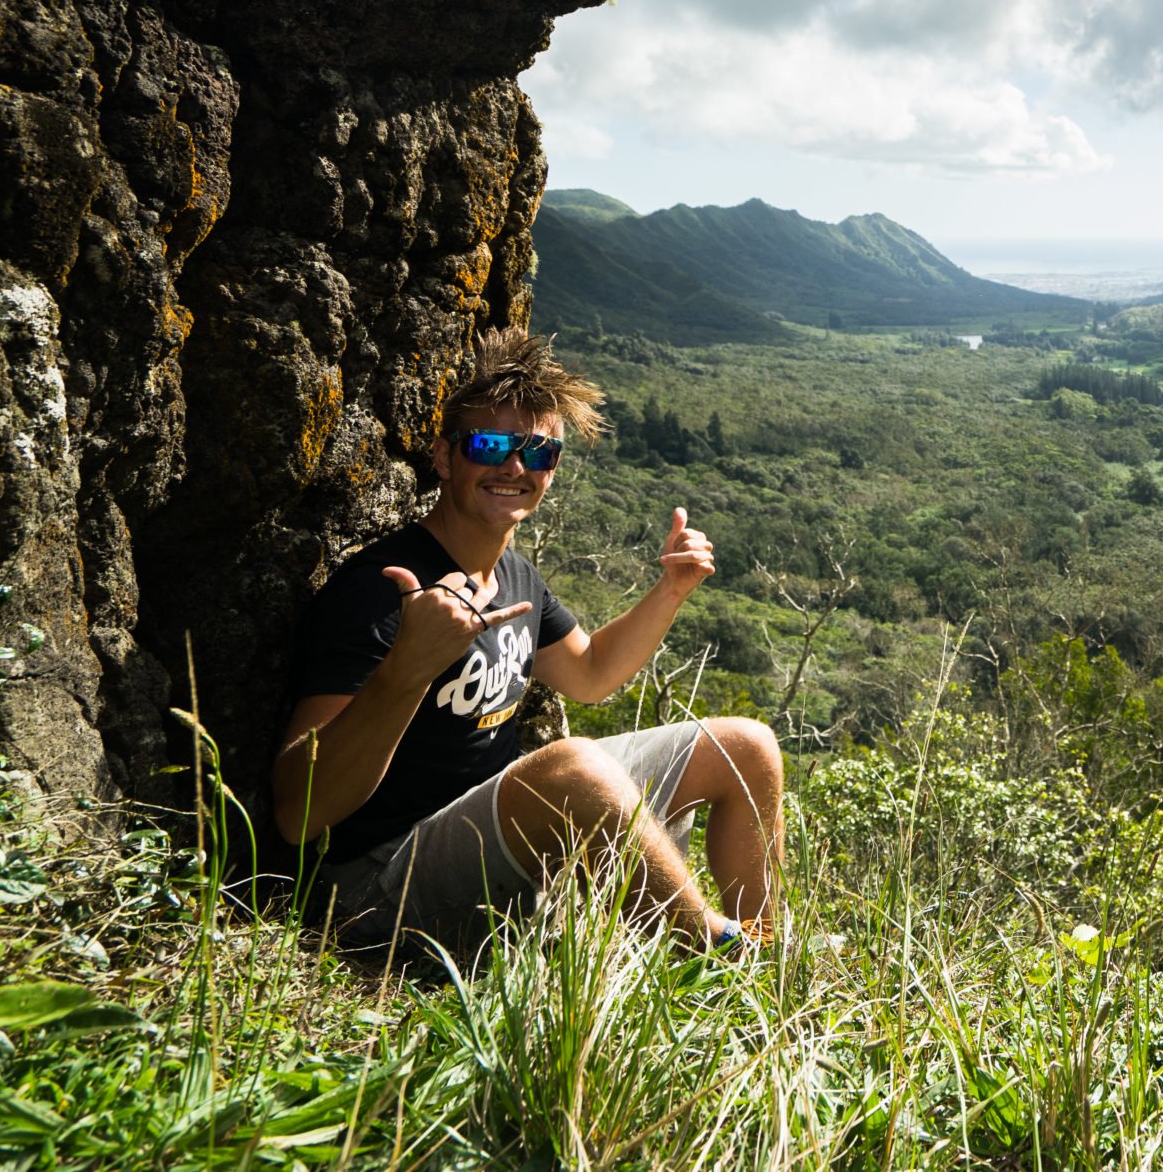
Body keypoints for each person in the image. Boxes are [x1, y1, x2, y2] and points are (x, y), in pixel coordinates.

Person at [272, 327, 781, 960]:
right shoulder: (384, 592)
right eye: (489, 446)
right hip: (379, 887)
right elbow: (300, 813)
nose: (514, 467)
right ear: (443, 457)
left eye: (536, 453)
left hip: (496, 846)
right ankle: (720, 953)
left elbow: (592, 674)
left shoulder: (515, 576)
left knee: (745, 747)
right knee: (573, 769)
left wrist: (670, 591)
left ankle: (772, 955)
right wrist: (407, 670)